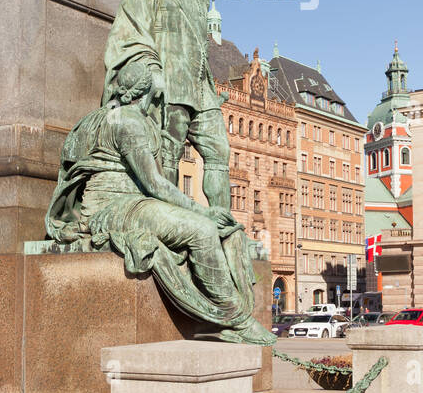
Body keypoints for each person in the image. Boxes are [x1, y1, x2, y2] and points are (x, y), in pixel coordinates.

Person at [46, 62, 272, 344]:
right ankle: (235, 318)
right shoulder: (127, 121)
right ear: (148, 91)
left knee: (218, 228)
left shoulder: (108, 118)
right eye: (157, 90)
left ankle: (225, 309)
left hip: (130, 203)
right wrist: (203, 211)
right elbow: (154, 183)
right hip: (113, 207)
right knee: (201, 229)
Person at [102, 0, 231, 210]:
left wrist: (209, 84)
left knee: (219, 150)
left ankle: (223, 224)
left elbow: (200, 47)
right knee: (169, 153)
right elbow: (131, 32)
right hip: (170, 82)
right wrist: (151, 71)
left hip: (200, 88)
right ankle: (169, 215)